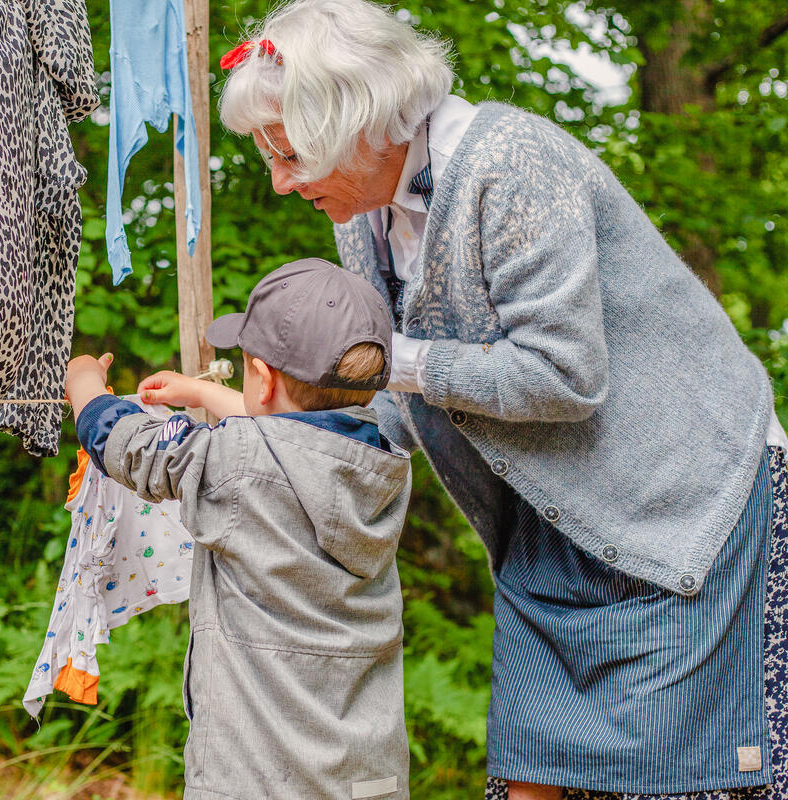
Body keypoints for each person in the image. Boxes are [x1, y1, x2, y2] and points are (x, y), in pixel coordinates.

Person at [216, 1, 788, 799]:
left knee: (671, 781)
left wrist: (385, 364)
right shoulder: (364, 210)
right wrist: (247, 415)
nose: (280, 184)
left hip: (681, 501)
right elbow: (389, 397)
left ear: (359, 122)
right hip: (551, 513)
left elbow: (562, 377)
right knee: (528, 775)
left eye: (290, 156)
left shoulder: (512, 164)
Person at [65, 258, 414, 799]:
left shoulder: (237, 462)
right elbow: (299, 439)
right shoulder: (385, 465)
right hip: (365, 776)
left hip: (261, 777)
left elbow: (139, 451)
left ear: (263, 379)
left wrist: (87, 390)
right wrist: (205, 395)